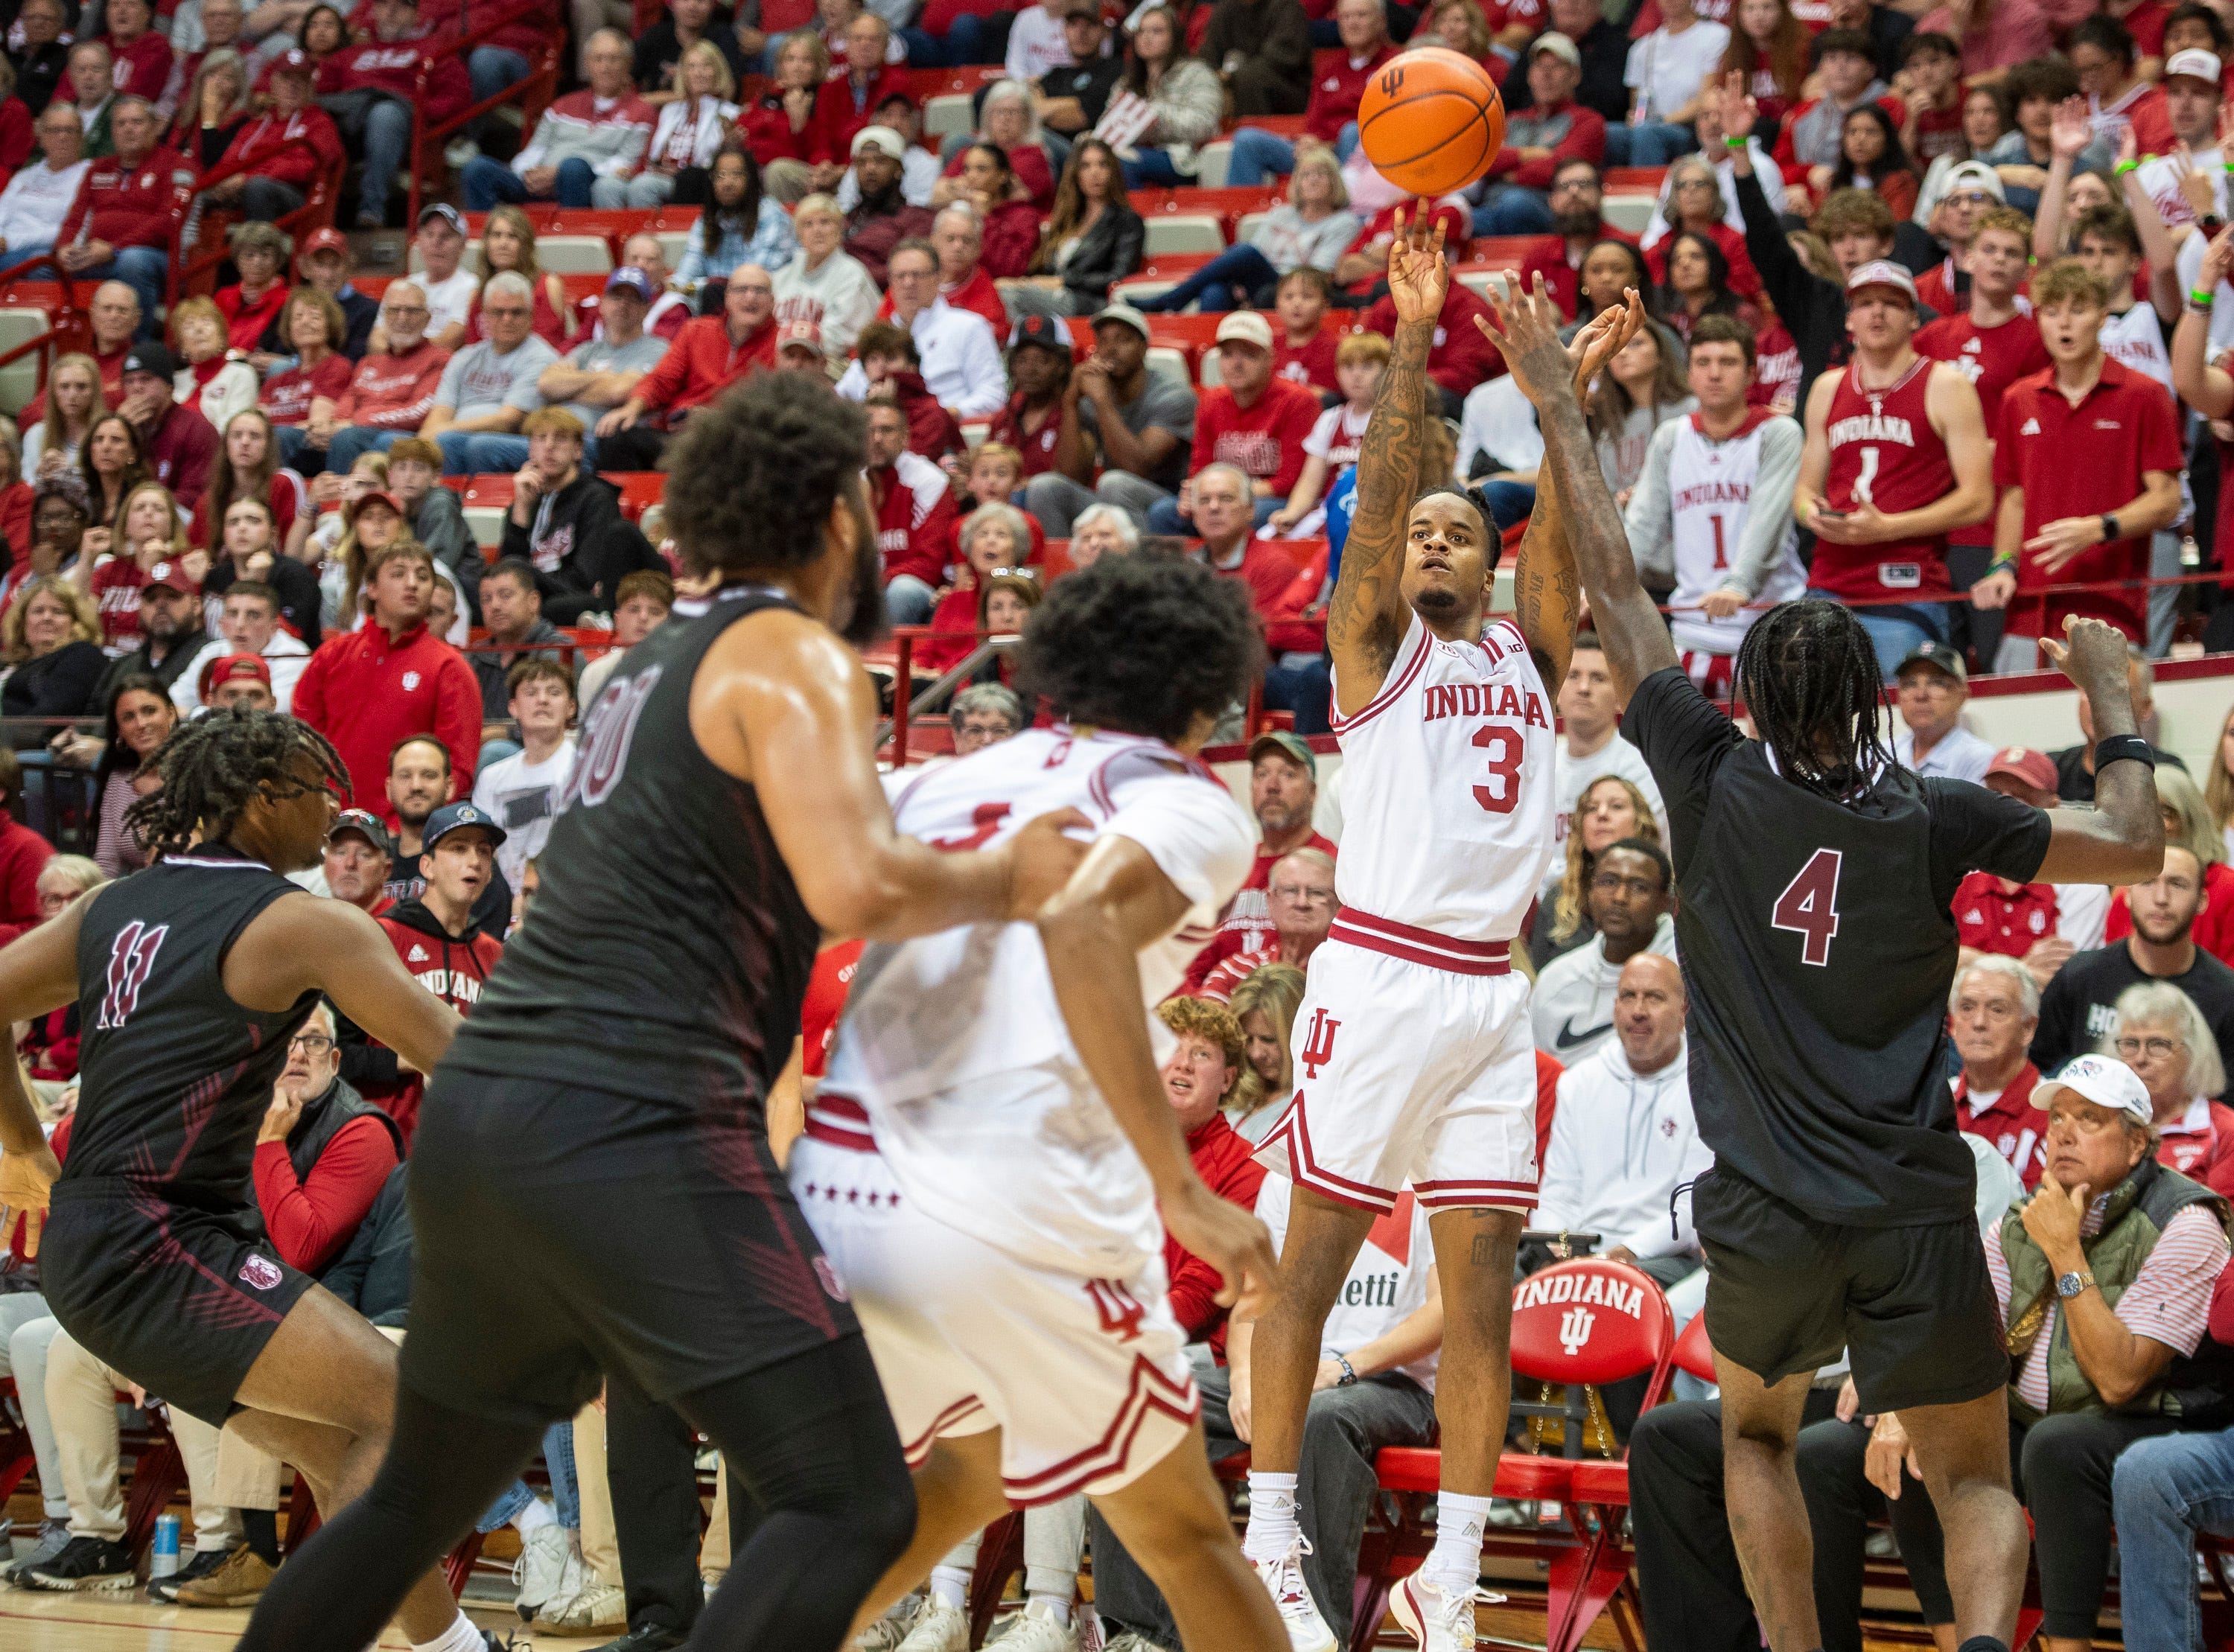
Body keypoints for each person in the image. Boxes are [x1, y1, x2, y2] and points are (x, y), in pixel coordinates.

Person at [229, 369, 1096, 1652]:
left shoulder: (646, 662)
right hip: (623, 1112)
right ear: (841, 516)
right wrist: (1007, 877)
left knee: (413, 1498)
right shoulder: (793, 653)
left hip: (488, 1116)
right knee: (850, 1497)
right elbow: (851, 879)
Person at [1489, 265, 2165, 1652]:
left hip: (1768, 1210)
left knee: (1747, 1433)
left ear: (1746, 695)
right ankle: (1981, 1643)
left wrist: (1562, 398)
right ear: (1868, 697)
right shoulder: (1938, 811)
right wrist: (2118, 701)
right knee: (1976, 1466)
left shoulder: (1707, 769)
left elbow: (1618, 584)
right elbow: (2135, 839)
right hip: (1912, 1201)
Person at [790, 546, 1285, 1652]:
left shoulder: (945, 777)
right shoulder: (1183, 800)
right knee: (1189, 1534)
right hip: (1006, 1191)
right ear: (1209, 696)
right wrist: (1182, 1191)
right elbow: (1083, 923)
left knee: (966, 1468)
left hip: (841, 1189)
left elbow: (788, 910)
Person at [1241, 211, 1582, 1652]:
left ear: (1491, 561)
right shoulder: (1374, 651)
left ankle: (1451, 1571)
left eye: (1463, 530)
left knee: (1480, 1296)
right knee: (1311, 1270)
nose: (1435, 540)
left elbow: (1571, 529)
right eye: (1423, 534)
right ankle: (1267, 1532)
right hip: (1377, 975)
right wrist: (1409, 342)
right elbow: (1382, 495)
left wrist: (1562, 393)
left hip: (1490, 997)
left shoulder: (1532, 647)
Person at [0, 708, 498, 1652]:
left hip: (102, 1246)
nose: (335, 808)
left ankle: (458, 1647)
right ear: (265, 797)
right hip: (161, 1245)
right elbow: (468, 1057)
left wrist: (25, 1148)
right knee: (415, 1404)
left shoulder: (112, 904)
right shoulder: (308, 923)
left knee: (339, 1447)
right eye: (321, 788)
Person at [1973, 259, 2182, 672]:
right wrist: (2003, 564)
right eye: (2051, 312)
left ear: (2104, 316)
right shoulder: (2019, 398)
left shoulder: (2145, 395)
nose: (2064, 324)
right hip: (2029, 609)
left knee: (2108, 730)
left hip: (2111, 606)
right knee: (2021, 730)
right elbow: (2014, 498)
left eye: (2078, 309)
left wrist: (2099, 528)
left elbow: (2167, 500)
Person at [1794, 259, 1993, 680]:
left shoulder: (1946, 385)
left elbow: (1977, 499)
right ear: (1850, 320)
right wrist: (1814, 515)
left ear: (1913, 318)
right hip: (1829, 581)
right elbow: (1804, 492)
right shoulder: (1827, 388)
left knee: (1894, 730)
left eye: (1891, 303)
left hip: (1909, 586)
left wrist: (1890, 527)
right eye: (1865, 303)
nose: (1877, 312)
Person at [1623, 316, 1805, 701]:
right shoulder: (1672, 437)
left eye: (1728, 362)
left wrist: (1739, 585)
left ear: (1751, 373)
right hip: (1691, 631)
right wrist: (1608, 585)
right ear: (1689, 373)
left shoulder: (1778, 433)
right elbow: (1642, 523)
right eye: (1703, 363)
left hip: (1769, 626)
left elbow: (1767, 521)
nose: (1715, 374)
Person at [1534, 951, 1707, 1281]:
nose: (1638, 1011)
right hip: (1580, 1253)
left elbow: (1692, 1212)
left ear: (1684, 1011)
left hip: (1661, 1258)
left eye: (1654, 998)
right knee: (1495, 1278)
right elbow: (1558, 1191)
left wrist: (1621, 1256)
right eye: (1628, 996)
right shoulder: (1578, 1083)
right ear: (1615, 1008)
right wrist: (1560, 1250)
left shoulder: (1707, 1089)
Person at [292, 541, 481, 815]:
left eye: (422, 576)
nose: (412, 583)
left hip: (408, 836)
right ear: (372, 588)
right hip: (333, 825)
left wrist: (410, 827)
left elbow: (458, 767)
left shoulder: (450, 666)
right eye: (398, 574)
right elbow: (304, 743)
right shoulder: (331, 656)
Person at [2032, 846, 2234, 1076]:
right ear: (2126, 894)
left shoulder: (2226, 995)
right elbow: (2039, 1070)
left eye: (2177, 884)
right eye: (2147, 882)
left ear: (2202, 900)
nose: (2161, 899)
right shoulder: (2079, 977)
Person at [1025, 302, 1197, 536]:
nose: (1110, 349)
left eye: (1123, 340)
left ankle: (1134, 571)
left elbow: (1138, 468)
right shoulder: (1092, 400)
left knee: (1115, 483)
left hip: (1168, 505)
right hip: (1113, 499)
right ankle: (1065, 570)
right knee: (1044, 487)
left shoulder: (1172, 394)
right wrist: (1071, 403)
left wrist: (1103, 403)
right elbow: (1070, 476)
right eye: (1103, 341)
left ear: (1144, 348)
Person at [595, 263, 779, 471]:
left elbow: (777, 411)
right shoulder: (696, 331)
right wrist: (632, 408)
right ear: (727, 297)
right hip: (679, 438)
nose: (750, 298)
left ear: (772, 301)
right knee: (615, 436)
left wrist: (718, 420)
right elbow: (661, 380)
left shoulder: (783, 343)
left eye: (760, 291)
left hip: (735, 445)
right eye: (741, 290)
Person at [461, 30, 652, 211]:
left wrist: (559, 174)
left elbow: (625, 165)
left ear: (629, 63)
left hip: (585, 184)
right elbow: (535, 150)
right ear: (587, 63)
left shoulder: (642, 111)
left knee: (574, 168)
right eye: (598, 59)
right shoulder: (562, 105)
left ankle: (569, 238)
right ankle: (484, 241)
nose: (605, 67)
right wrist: (530, 174)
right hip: (540, 182)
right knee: (477, 168)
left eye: (614, 59)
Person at [1530, 838, 1678, 1063]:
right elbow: (1539, 1076)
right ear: (1589, 892)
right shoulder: (1556, 982)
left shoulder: (1689, 973)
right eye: (1608, 882)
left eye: (1639, 887)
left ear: (1664, 902)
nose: (1619, 897)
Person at [309, 283, 451, 473]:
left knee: (346, 438)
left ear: (427, 319)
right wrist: (330, 425)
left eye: (412, 311)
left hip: (402, 435)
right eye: (394, 310)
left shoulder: (440, 359)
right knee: (287, 436)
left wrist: (356, 422)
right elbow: (349, 400)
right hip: (355, 431)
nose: (402, 318)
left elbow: (419, 412)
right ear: (384, 317)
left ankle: (339, 501)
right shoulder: (369, 362)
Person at [1552, 634, 1661, 855]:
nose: (1583, 688)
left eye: (1598, 678)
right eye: (1572, 676)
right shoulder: (1541, 764)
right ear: (1556, 693)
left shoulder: (1643, 767)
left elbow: (1645, 852)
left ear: (1620, 696)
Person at [471, 660, 573, 893]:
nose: (543, 700)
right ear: (513, 707)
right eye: (531, 693)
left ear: (571, 707)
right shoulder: (491, 777)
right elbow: (482, 848)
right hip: (502, 897)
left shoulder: (583, 771)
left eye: (554, 692)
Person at [1190, 846, 1340, 1004]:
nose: (1302, 903)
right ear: (1270, 901)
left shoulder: (1347, 976)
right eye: (1291, 891)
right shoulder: (1236, 970)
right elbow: (1202, 1025)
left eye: (1317, 892)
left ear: (1337, 904)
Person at [1611, 0, 1730, 166]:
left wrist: (1660, 121)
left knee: (1646, 134)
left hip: (1691, 126)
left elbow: (1705, 100)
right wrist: (1636, 117)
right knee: (1607, 134)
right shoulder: (1642, 48)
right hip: (1651, 126)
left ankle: (1649, 189)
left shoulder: (1717, 36)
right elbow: (1637, 106)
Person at [1, 575, 107, 733]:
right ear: (22, 622)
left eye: (58, 611)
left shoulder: (82, 656)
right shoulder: (8, 661)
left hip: (31, 749)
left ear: (76, 622)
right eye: (38, 611)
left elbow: (51, 717)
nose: (47, 618)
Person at [1888, 640, 1993, 782]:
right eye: (1910, 684)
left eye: (1936, 683)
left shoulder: (1980, 760)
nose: (1921, 695)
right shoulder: (1878, 755)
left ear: (1962, 695)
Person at [0, 101, 88, 269]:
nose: (63, 136)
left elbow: (73, 229)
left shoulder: (88, 174)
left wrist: (10, 241)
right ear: (41, 137)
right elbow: (1, 213)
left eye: (70, 130)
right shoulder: (25, 176)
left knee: (37, 262)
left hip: (46, 251)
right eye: (55, 130)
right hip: (6, 250)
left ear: (81, 136)